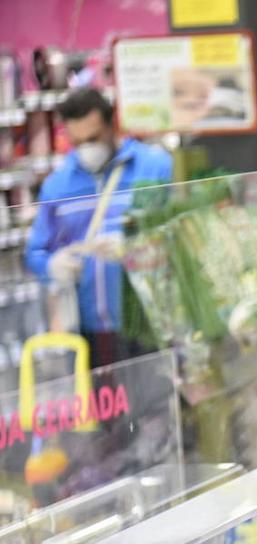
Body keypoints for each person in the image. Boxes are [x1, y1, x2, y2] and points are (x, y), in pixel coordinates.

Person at [25, 88, 173, 365]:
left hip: (151, 323)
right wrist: (53, 267)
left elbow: (179, 230)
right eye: (77, 142)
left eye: (93, 138)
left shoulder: (155, 167)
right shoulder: (58, 186)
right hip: (90, 331)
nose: (86, 149)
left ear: (112, 125)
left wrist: (135, 245)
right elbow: (35, 252)